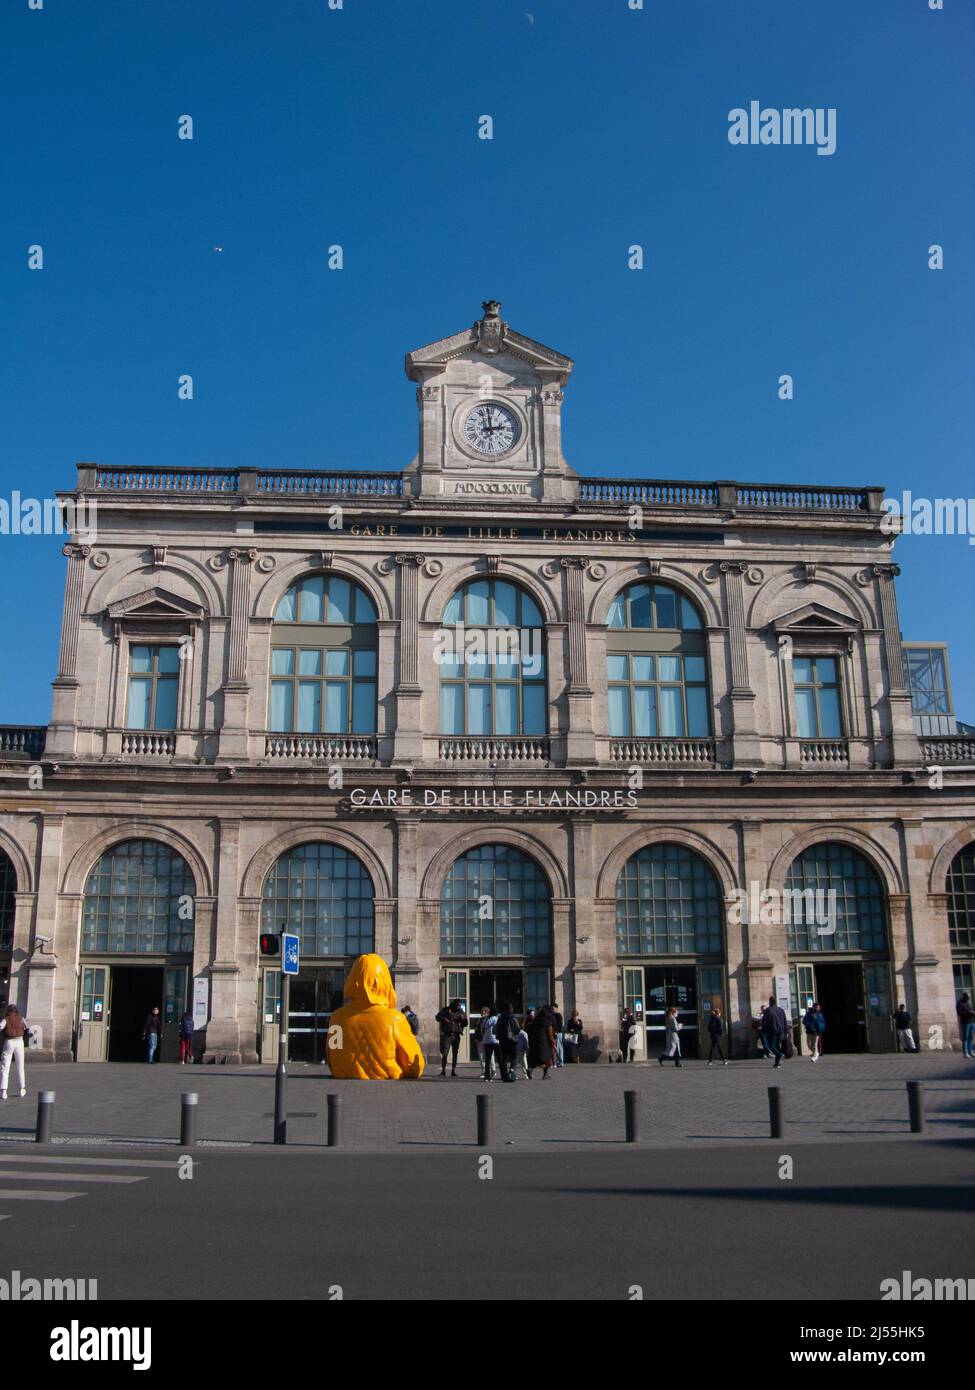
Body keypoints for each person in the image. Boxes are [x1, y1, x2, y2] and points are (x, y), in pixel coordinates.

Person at [0, 1004, 28, 1100]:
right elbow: (26, 1028)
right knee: (20, 1067)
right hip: (19, 1042)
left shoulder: (6, 1019)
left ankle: (4, 1091)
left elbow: (0, 1027)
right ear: (16, 1011)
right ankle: (22, 1088)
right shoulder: (21, 1018)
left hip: (9, 1041)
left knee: (5, 1067)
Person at [435, 998, 467, 1077]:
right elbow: (437, 1017)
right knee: (445, 1053)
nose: (459, 1007)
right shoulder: (446, 1010)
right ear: (454, 1004)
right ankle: (443, 1071)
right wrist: (444, 1018)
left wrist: (463, 1019)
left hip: (456, 1035)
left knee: (455, 1053)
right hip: (447, 1035)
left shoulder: (461, 1012)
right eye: (457, 1005)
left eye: (459, 1005)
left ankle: (453, 1070)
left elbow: (466, 1023)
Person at [528, 1006, 556, 1079]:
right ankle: (545, 1074)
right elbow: (550, 1035)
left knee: (535, 1059)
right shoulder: (548, 1022)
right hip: (545, 1043)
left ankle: (530, 1069)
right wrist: (553, 1043)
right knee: (546, 1058)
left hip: (535, 1042)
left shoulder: (535, 1020)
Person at [495, 1001, 520, 1082]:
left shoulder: (500, 1018)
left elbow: (497, 1029)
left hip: (502, 1040)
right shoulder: (513, 1018)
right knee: (515, 1055)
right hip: (512, 1040)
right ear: (509, 1009)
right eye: (511, 1008)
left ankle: (505, 1075)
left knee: (504, 1058)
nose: (512, 1009)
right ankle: (512, 1071)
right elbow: (517, 1029)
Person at [762, 995, 788, 1068]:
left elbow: (765, 1022)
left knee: (771, 1046)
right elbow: (784, 1021)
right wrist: (786, 1031)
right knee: (777, 1046)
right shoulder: (781, 1010)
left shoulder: (768, 1010)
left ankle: (779, 1054)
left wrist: (764, 1031)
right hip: (781, 1031)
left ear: (770, 1002)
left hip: (772, 1031)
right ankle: (777, 1063)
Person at [480, 1006, 500, 1082]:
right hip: (495, 1041)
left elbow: (482, 1029)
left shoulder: (485, 1020)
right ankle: (501, 1074)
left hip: (486, 1041)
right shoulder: (496, 1019)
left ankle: (487, 1076)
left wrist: (484, 1036)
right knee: (500, 1058)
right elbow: (497, 1029)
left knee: (487, 1059)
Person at [957, 993, 975, 1058]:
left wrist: (972, 1012)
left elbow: (971, 1010)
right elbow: (959, 1013)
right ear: (964, 996)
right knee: (965, 1038)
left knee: (971, 1038)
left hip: (972, 1022)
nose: (968, 998)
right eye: (967, 997)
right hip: (965, 1023)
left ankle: (970, 1052)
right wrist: (969, 1012)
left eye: (969, 997)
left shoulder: (968, 1002)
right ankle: (965, 1053)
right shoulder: (959, 1003)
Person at [550, 1001, 565, 1067]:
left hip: (558, 1033)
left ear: (556, 1008)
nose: (553, 1010)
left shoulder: (558, 1015)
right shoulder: (552, 1015)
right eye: (552, 1008)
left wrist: (556, 1031)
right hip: (554, 1033)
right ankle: (558, 1061)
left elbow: (560, 1025)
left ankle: (561, 1062)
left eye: (553, 1008)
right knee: (556, 1048)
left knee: (559, 1047)